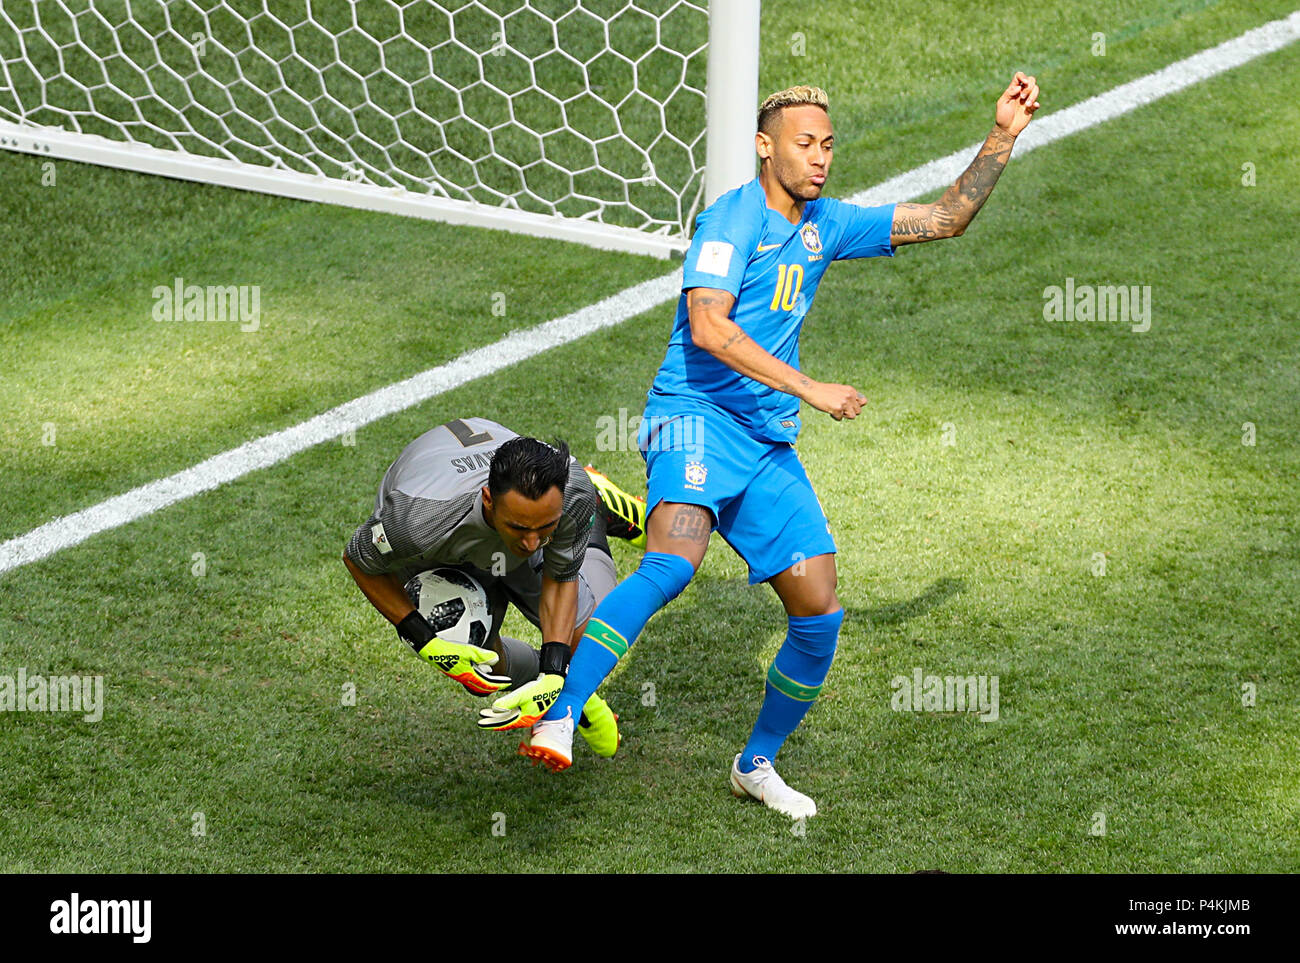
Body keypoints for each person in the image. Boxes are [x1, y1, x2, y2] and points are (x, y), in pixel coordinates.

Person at [518, 75, 1042, 817]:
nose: (821, 157)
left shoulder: (827, 224)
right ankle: (563, 710)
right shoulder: (731, 221)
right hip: (694, 416)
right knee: (672, 563)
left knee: (819, 609)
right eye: (805, 143)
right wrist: (812, 388)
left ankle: (755, 763)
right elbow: (709, 328)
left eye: (828, 144)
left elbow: (948, 217)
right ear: (765, 147)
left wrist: (1004, 134)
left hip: (762, 444)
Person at [342, 416, 647, 757]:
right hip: (440, 544)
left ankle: (598, 508)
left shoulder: (568, 487)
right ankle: (564, 689)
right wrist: (424, 640)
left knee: (591, 643)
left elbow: (560, 578)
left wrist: (555, 668)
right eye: (520, 527)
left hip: (515, 522)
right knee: (475, 662)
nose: (533, 544)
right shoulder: (416, 522)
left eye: (545, 527)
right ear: (488, 499)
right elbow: (360, 559)